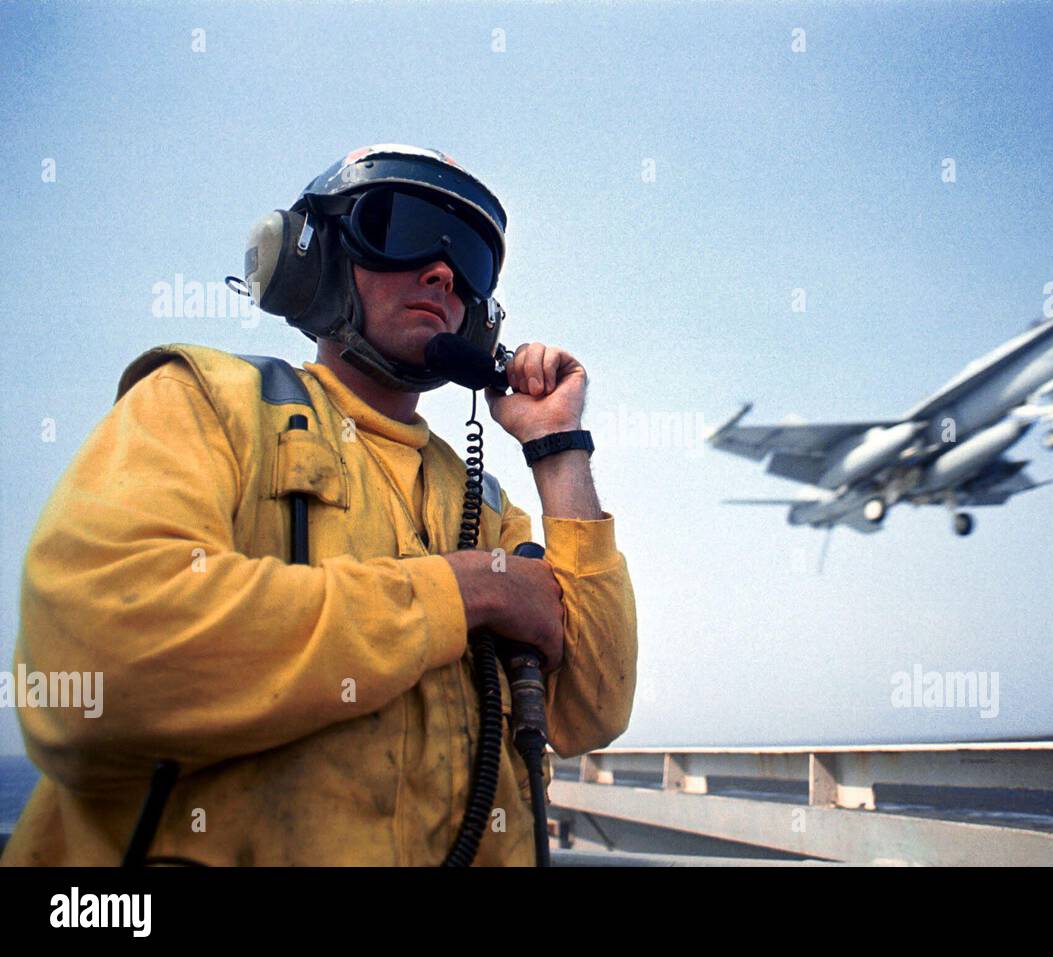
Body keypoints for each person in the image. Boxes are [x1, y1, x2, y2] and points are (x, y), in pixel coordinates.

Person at [0, 144, 636, 866]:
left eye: (471, 263)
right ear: (316, 255)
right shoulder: (204, 402)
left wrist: (557, 446)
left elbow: (594, 703)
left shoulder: (483, 502)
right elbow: (95, 669)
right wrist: (471, 588)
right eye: (403, 226)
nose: (443, 271)